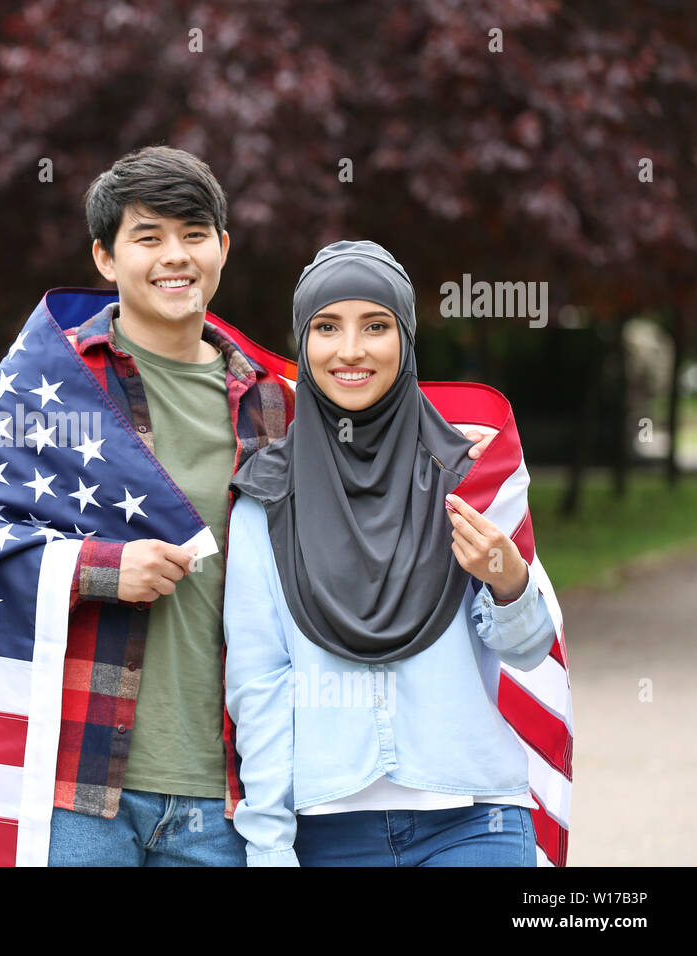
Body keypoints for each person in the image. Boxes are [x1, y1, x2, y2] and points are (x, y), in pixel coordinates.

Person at [46, 155, 495, 866]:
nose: (174, 256)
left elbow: (378, 421)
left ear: (223, 247)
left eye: (194, 233)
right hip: (86, 784)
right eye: (147, 236)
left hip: (224, 794)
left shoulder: (275, 403)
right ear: (103, 256)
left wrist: (448, 458)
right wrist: (100, 567)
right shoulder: (50, 386)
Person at [223, 240, 556, 866]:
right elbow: (258, 683)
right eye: (327, 327)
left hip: (472, 821)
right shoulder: (265, 497)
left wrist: (509, 582)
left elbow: (530, 649)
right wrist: (269, 846)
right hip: (328, 835)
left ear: (404, 340)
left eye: (375, 326)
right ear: (304, 343)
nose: (350, 350)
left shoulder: (469, 472)